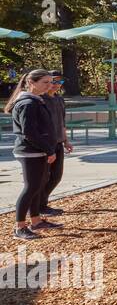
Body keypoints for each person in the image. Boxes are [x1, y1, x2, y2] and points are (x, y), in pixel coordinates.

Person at [4, 69, 62, 239]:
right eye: (45, 82)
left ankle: (36, 221)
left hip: (38, 151)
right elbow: (29, 133)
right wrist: (48, 149)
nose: (50, 85)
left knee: (37, 188)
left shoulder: (35, 101)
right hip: (30, 152)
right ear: (31, 82)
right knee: (31, 188)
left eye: (50, 82)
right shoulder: (27, 103)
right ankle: (19, 227)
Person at [39, 73, 72, 218]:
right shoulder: (40, 99)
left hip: (58, 142)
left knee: (56, 176)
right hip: (46, 144)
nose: (56, 84)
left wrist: (66, 140)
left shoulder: (59, 99)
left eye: (60, 82)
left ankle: (41, 203)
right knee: (43, 177)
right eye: (53, 81)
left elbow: (62, 122)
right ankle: (39, 206)